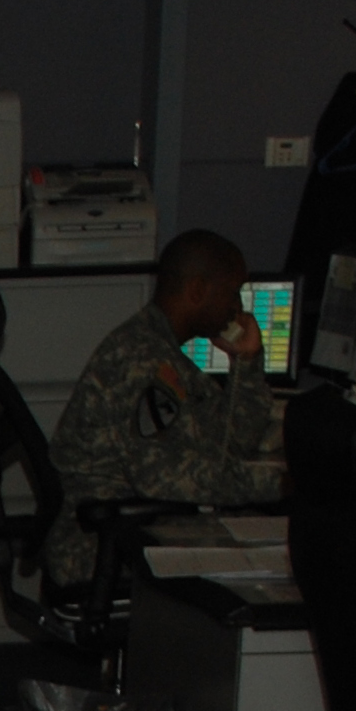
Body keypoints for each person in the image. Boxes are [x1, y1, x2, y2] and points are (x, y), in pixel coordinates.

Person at [44, 229, 286, 585]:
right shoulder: (142, 362)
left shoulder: (161, 351)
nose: (238, 308)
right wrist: (284, 485)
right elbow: (170, 479)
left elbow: (230, 441)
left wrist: (246, 362)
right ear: (198, 291)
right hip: (100, 553)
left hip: (126, 535)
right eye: (233, 293)